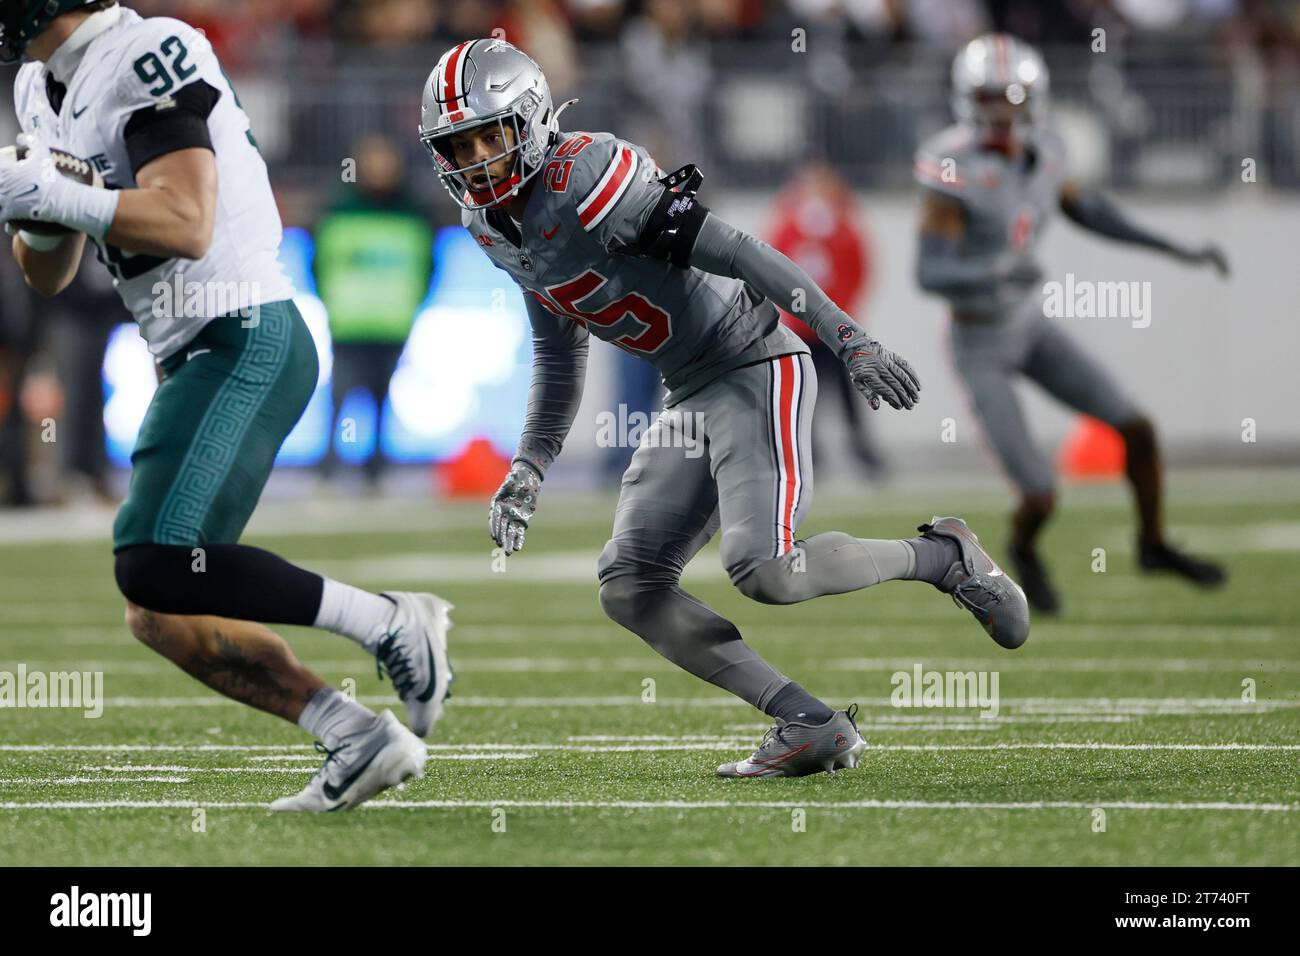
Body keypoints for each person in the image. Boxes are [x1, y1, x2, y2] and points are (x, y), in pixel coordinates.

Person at [418, 38, 1030, 779]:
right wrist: (528, 467)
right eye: (460, 144)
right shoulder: (489, 228)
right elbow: (557, 354)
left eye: (491, 133)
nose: (478, 157)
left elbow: (739, 250)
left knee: (765, 569)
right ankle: (807, 722)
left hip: (752, 363)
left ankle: (943, 556)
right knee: (630, 585)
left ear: (534, 119)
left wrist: (850, 340)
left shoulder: (588, 176)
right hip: (689, 389)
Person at [0, 0, 452, 811]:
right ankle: (354, 732)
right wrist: (36, 211)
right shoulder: (40, 84)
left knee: (154, 558)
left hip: (245, 333)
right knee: (160, 613)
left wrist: (64, 194)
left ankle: (390, 621)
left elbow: (187, 220)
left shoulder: (148, 50)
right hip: (188, 354)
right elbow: (51, 273)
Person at [914, 33, 1228, 615]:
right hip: (979, 340)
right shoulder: (953, 165)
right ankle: (1022, 550)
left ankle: (1153, 544)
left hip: (1030, 329)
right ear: (966, 99)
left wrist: (1172, 247)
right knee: (1039, 491)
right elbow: (930, 272)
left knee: (1137, 428)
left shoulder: (1049, 150)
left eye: (1012, 97)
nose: (1002, 110)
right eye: (990, 97)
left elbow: (1090, 210)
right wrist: (998, 269)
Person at [315, 134, 432, 486]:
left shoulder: (412, 211)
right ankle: (330, 467)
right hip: (350, 325)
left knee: (381, 400)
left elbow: (426, 266)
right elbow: (320, 264)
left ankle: (374, 469)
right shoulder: (341, 208)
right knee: (341, 397)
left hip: (391, 324)